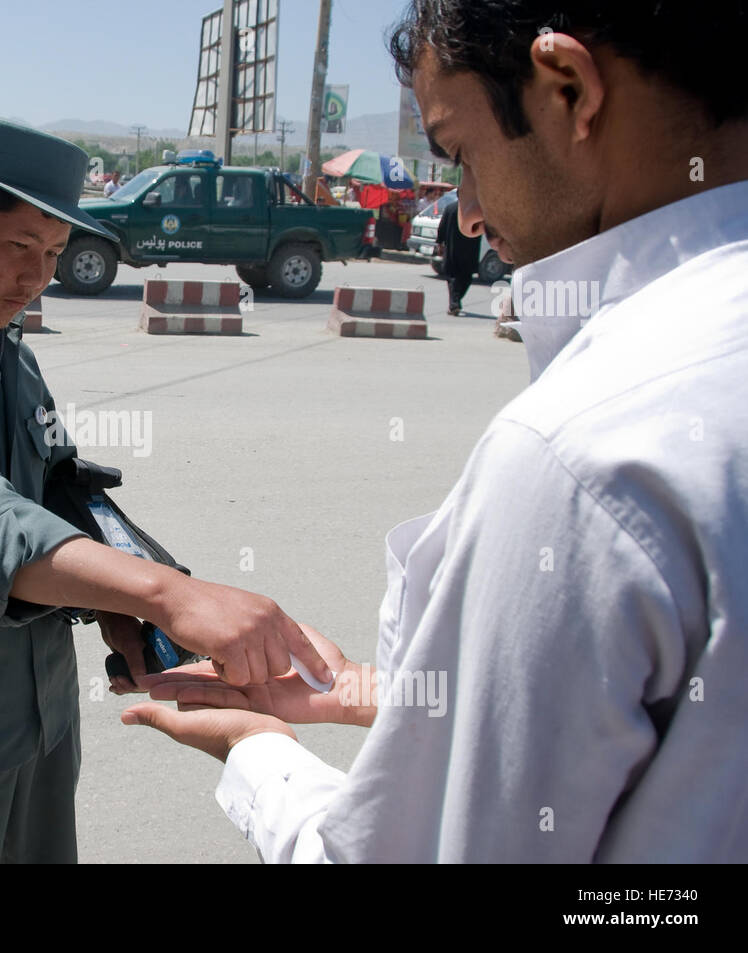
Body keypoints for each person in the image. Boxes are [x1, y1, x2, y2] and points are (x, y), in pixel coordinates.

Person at [123, 0, 748, 862]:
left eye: (461, 155)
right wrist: (383, 694)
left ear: (569, 89)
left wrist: (253, 750)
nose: (467, 212)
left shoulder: (583, 456)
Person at [0, 113, 328, 863]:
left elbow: (58, 491)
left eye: (54, 252)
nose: (38, 276)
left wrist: (125, 608)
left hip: (43, 724)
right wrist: (167, 596)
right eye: (20, 246)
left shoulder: (5, 352)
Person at [437, 196, 480, 313]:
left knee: (455, 278)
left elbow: (441, 228)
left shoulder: (451, 208)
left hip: (454, 251)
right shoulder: (474, 211)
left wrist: (439, 244)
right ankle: (454, 304)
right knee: (462, 278)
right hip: (468, 251)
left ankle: (455, 302)